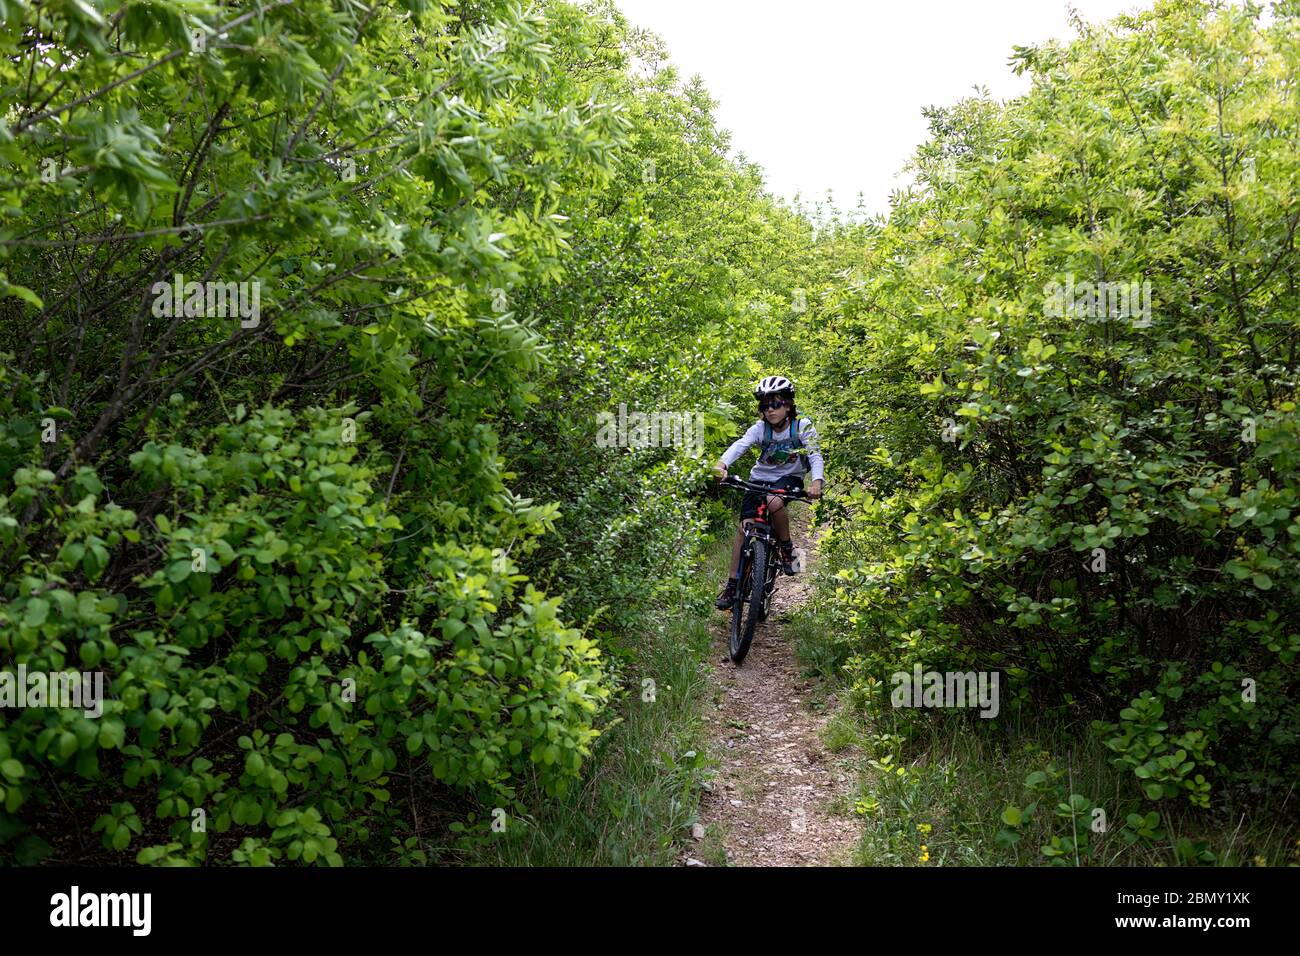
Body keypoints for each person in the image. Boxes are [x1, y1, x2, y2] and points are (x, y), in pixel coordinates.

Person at [713, 375, 824, 610]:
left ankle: (786, 548)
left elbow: (814, 455)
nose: (770, 410)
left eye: (775, 404)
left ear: (788, 404)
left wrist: (816, 482)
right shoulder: (760, 429)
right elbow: (740, 445)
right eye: (764, 405)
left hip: (789, 479)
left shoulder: (802, 425)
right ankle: (733, 584)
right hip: (760, 478)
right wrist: (722, 465)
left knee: (774, 501)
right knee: (744, 529)